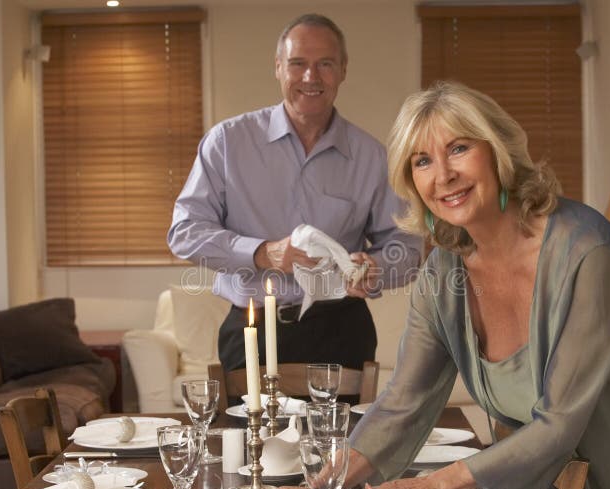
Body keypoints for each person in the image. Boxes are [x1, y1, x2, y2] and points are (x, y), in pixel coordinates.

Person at [249, 81, 610, 489]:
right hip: (560, 461)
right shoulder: (443, 275)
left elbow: (560, 418)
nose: (443, 176)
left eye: (459, 148)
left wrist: (430, 487)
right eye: (422, 161)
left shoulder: (586, 252)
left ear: (497, 151)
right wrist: (318, 487)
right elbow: (403, 402)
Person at [167, 14, 421, 372]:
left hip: (342, 330)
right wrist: (262, 253)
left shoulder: (373, 157)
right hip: (252, 328)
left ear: (344, 70)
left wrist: (378, 267)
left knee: (344, 432)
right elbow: (184, 233)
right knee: (250, 430)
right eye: (298, 63)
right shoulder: (226, 143)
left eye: (325, 64)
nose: (310, 77)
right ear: (278, 67)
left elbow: (407, 246)